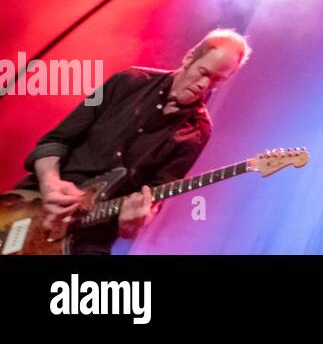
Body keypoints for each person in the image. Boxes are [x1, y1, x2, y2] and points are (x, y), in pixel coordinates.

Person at [6, 29, 250, 253]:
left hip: (88, 236)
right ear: (189, 58)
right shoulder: (125, 80)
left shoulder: (198, 132)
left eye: (218, 80)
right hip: (35, 206)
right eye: (204, 73)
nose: (204, 86)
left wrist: (133, 224)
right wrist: (50, 184)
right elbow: (55, 141)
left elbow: (155, 195)